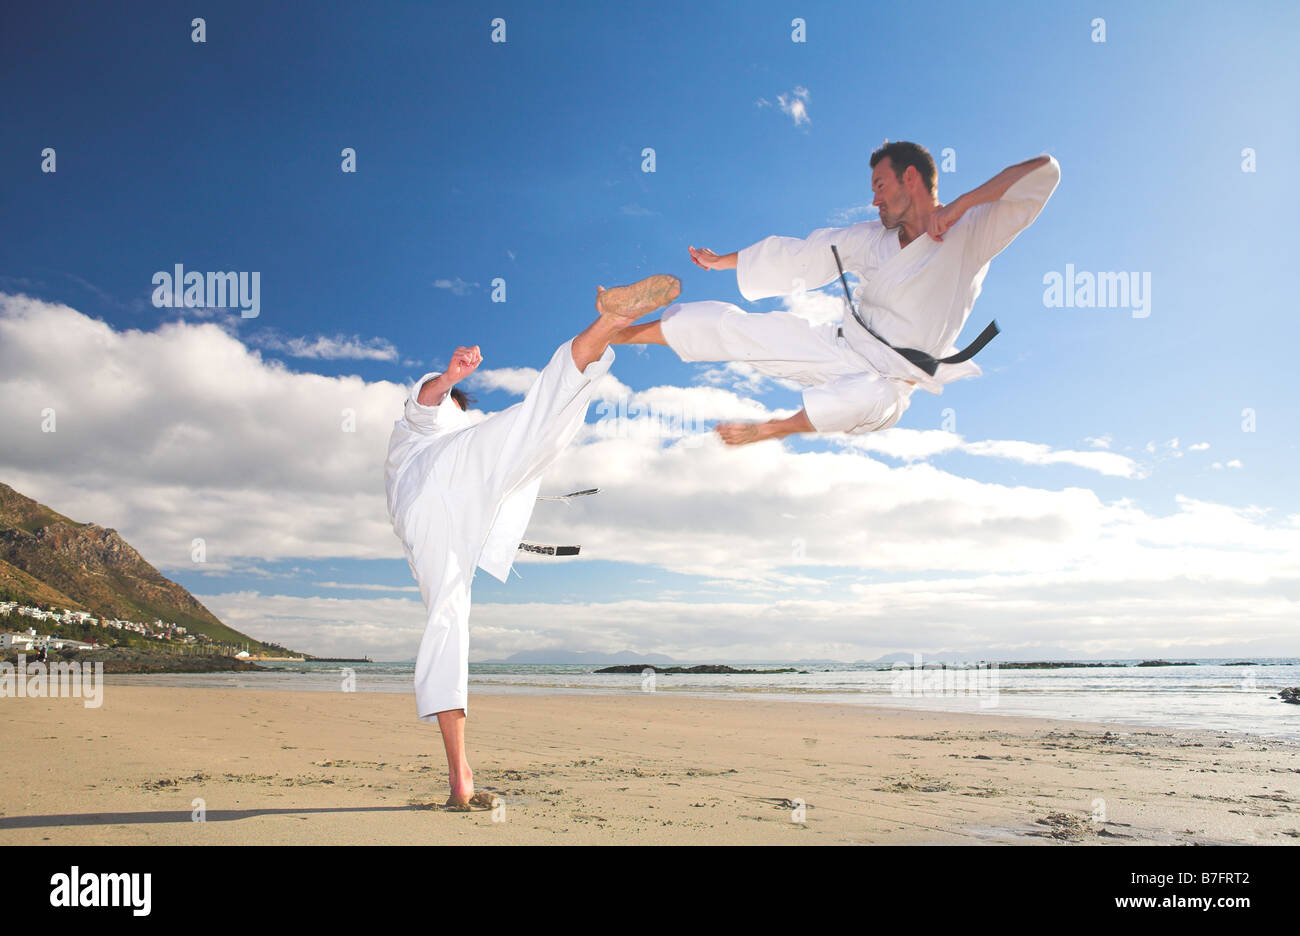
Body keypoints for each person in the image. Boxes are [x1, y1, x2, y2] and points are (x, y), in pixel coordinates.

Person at [384, 274, 680, 808]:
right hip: (444, 479)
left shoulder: (434, 440)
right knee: (536, 418)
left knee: (447, 621)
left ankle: (460, 775)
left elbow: (451, 436)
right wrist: (449, 376)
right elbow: (425, 402)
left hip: (428, 523)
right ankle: (608, 326)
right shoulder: (429, 422)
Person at [616, 142, 1061, 445]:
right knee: (743, 330)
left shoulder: (972, 232)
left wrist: (963, 205)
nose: (874, 201)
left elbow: (1045, 171)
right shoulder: (872, 239)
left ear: (911, 178)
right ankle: (619, 332)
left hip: (891, 384)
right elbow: (804, 255)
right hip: (841, 348)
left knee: (871, 395)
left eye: (880, 187)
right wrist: (723, 261)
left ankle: (774, 430)